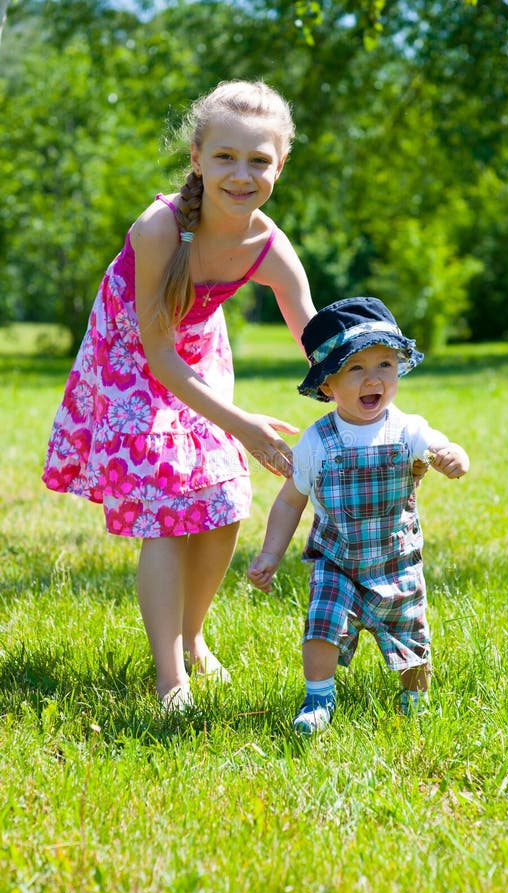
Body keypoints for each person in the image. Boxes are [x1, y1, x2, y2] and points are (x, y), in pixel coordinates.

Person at [42, 80, 316, 711]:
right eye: (225, 156)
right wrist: (242, 424)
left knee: (225, 499)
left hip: (198, 355)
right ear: (197, 157)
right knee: (166, 501)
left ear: (280, 166)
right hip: (134, 357)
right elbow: (158, 356)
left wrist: (369, 397)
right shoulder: (159, 228)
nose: (241, 174)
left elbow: (316, 338)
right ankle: (171, 678)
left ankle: (193, 639)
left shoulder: (269, 246)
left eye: (259, 160)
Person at [248, 297, 469, 734]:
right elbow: (290, 500)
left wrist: (453, 457)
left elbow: (442, 446)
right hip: (337, 561)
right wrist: (271, 553)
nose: (374, 378)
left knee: (412, 637)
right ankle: (318, 699)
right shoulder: (317, 441)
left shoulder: (407, 429)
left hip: (395, 559)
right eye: (355, 368)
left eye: (385, 364)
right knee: (321, 627)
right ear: (327, 384)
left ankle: (415, 698)